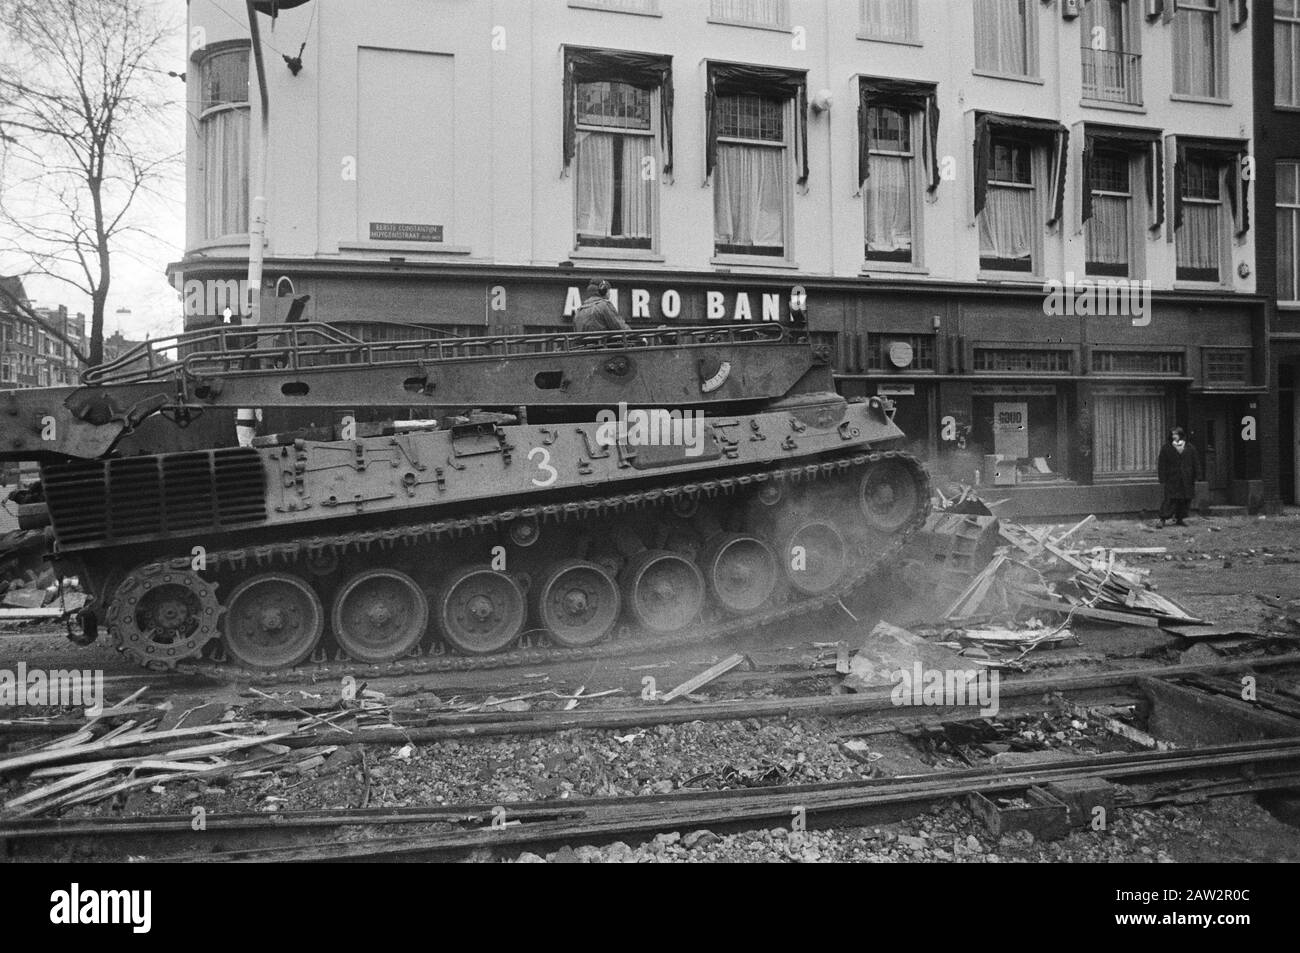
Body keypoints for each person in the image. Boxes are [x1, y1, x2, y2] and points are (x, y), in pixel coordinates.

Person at [1157, 427, 1200, 527]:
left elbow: (1195, 462)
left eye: (1176, 434)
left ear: (1181, 435)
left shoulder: (1190, 448)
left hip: (1187, 478)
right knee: (1170, 499)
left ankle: (1180, 519)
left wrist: (1197, 475)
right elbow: (1162, 464)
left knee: (1185, 499)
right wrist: (1162, 477)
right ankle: (1162, 519)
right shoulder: (1166, 448)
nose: (1173, 436)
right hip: (1172, 478)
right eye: (1172, 434)